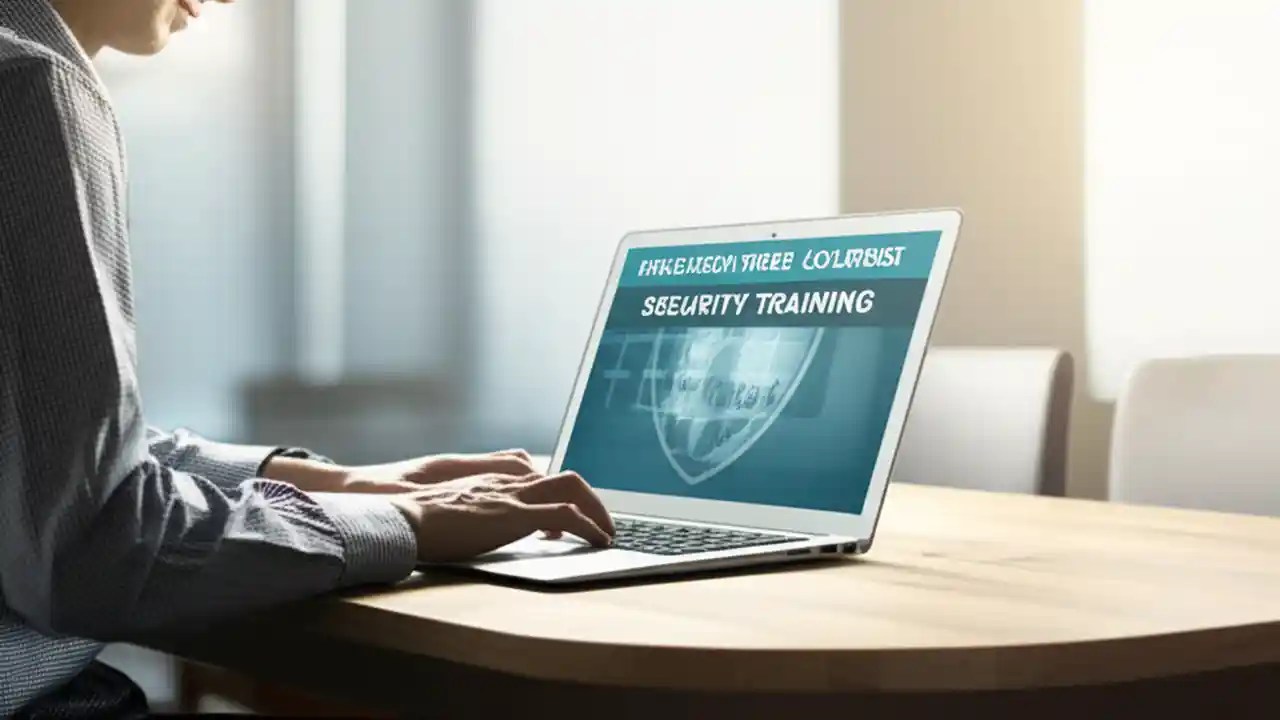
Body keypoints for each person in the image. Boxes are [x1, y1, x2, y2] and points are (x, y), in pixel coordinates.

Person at [0, 0, 616, 715]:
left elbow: (42, 460)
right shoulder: (31, 90)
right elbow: (92, 553)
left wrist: (349, 484)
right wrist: (407, 527)